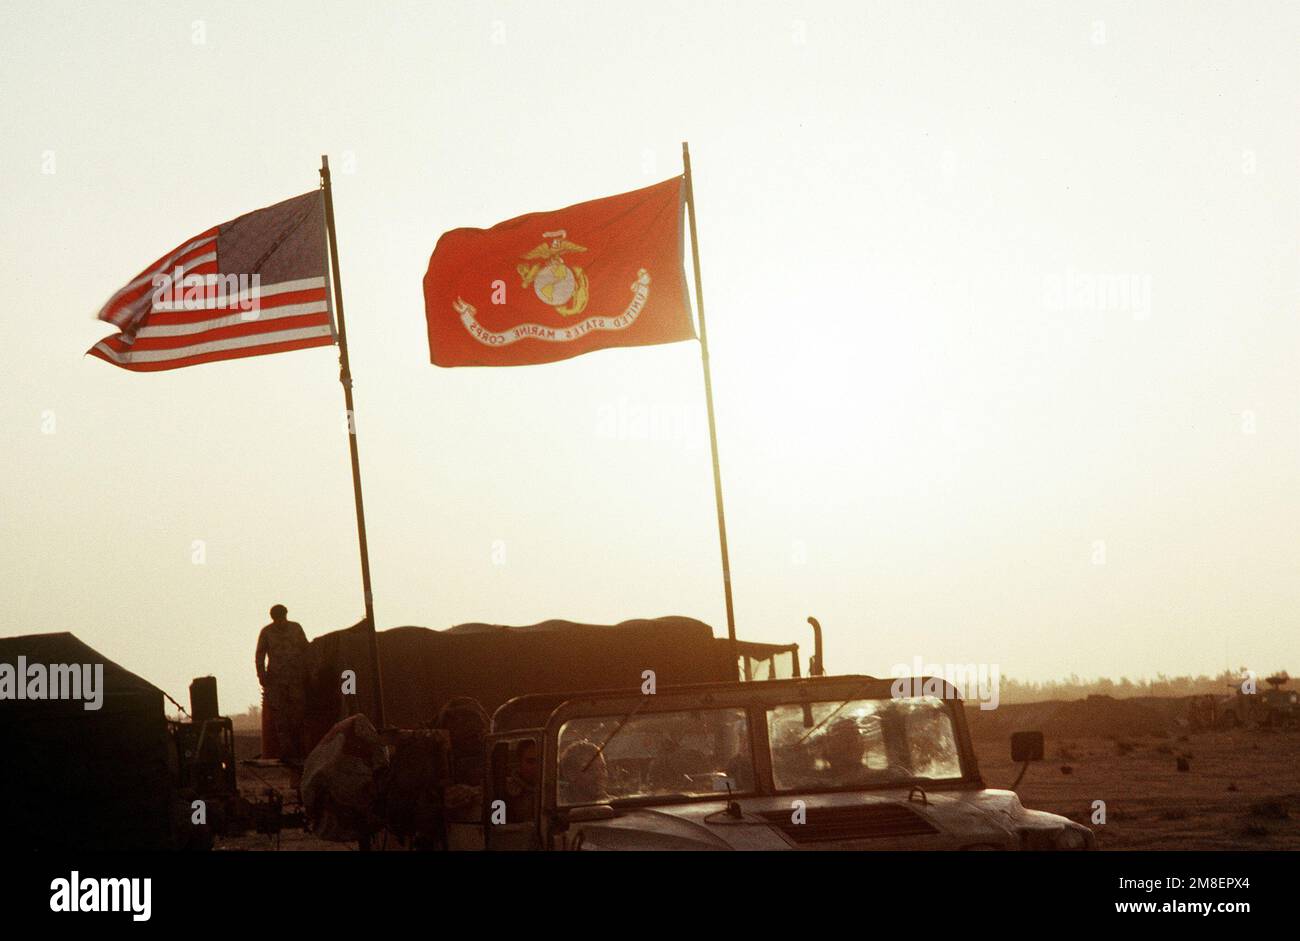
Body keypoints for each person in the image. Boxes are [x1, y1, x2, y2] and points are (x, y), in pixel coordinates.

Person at [256, 604, 309, 763]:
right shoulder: (267, 632)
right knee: (281, 719)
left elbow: (306, 649)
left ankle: (300, 750)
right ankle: (287, 752)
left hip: (296, 680)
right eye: (277, 618)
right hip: (276, 682)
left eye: (282, 617)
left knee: (298, 716)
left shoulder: (296, 628)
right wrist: (262, 676)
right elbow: (260, 655)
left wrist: (307, 673)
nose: (280, 621)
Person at [558, 740, 609, 805]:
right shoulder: (559, 806)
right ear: (571, 774)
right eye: (591, 769)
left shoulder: (616, 806)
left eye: (603, 768)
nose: (600, 774)